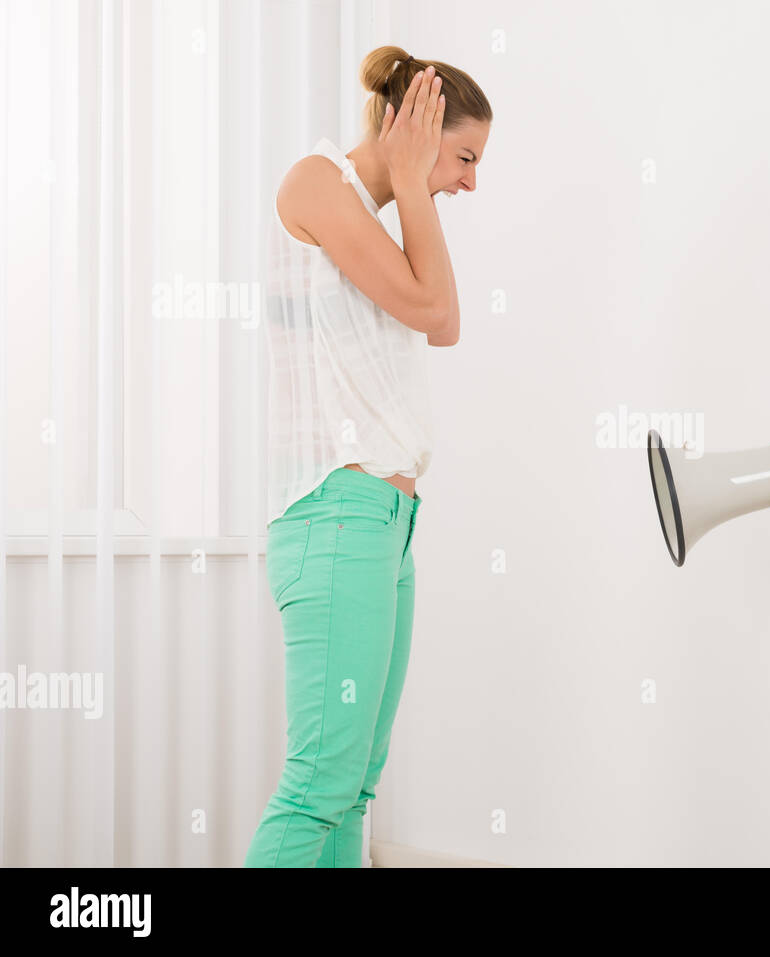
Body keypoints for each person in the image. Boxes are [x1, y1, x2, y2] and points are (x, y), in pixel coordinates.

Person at [245, 45, 492, 867]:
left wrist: (415, 182)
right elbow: (440, 311)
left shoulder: (378, 226)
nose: (468, 181)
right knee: (319, 783)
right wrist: (415, 178)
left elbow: (436, 314)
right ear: (407, 127)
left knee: (354, 786)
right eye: (462, 156)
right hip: (335, 516)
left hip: (387, 526)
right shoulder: (316, 184)